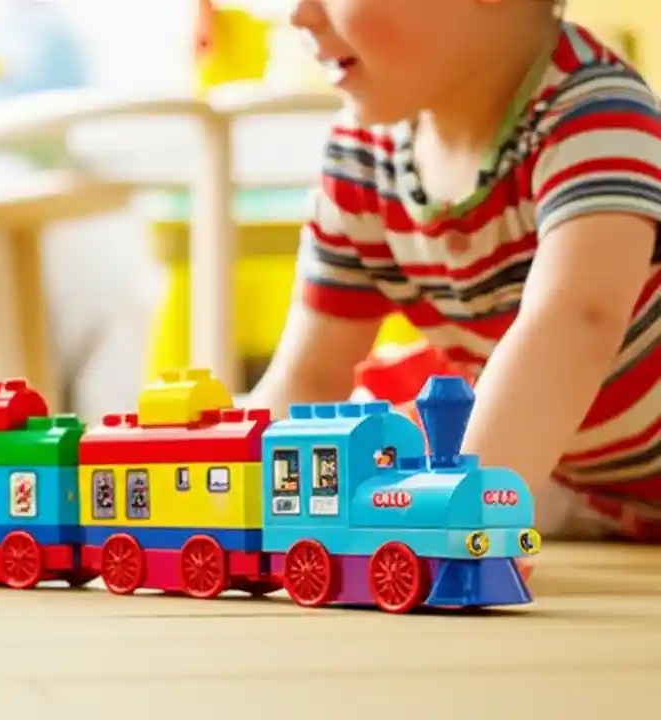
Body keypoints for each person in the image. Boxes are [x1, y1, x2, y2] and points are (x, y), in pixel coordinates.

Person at [252, 0, 661, 541]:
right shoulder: (362, 156)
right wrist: (240, 503)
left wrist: (461, 530)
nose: (298, 14)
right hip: (603, 497)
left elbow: (575, 324)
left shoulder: (596, 116)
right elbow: (307, 375)